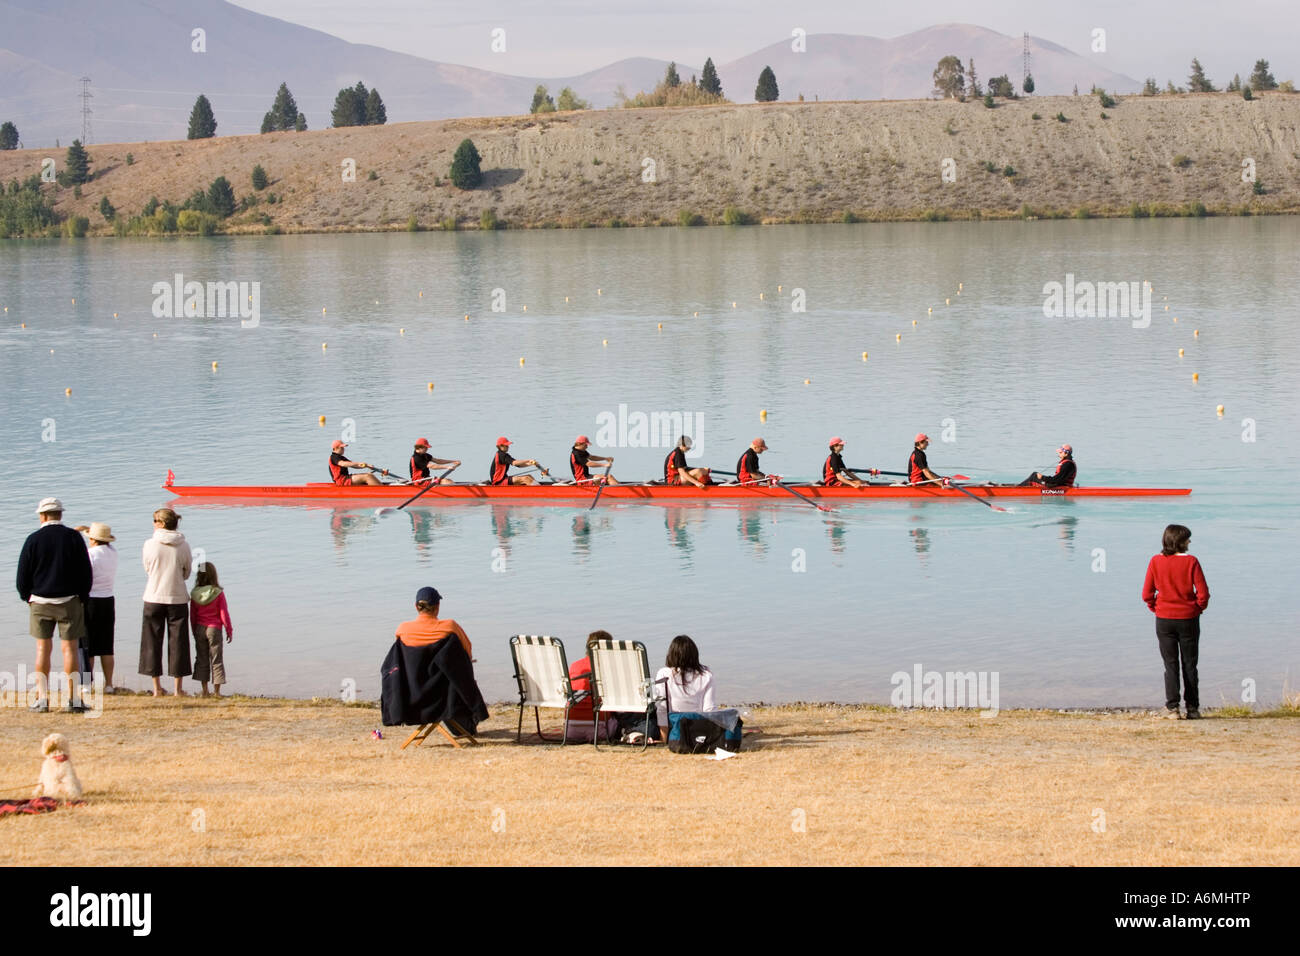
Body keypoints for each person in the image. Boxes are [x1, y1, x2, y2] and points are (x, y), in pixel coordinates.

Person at [16, 498, 92, 713]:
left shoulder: (33, 539)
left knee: (42, 649)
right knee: (69, 649)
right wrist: (83, 596)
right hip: (69, 600)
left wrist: (26, 597)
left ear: (42, 516)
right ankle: (74, 699)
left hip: (40, 601)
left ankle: (42, 699)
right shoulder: (73, 538)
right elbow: (86, 572)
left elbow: (22, 576)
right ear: (60, 514)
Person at [1142, 524, 1210, 719]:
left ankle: (1172, 708)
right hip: (1188, 619)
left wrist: (1156, 608)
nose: (1190, 541)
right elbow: (1203, 594)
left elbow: (1147, 593)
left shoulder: (1156, 561)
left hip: (1164, 619)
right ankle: (1193, 708)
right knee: (1190, 664)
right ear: (1180, 542)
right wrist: (1197, 608)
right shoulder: (1192, 562)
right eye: (1187, 539)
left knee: (1170, 664)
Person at [139, 508, 193, 697]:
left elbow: (147, 568)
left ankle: (157, 688)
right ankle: (178, 689)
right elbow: (187, 572)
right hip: (177, 597)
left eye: (154, 520)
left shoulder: (149, 544)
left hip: (153, 596)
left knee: (151, 641)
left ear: (161, 523)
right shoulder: (184, 545)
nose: (153, 524)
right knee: (179, 642)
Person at [75, 522, 119, 694]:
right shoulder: (113, 553)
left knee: (88, 645)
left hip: (91, 600)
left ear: (92, 539)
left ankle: (87, 683)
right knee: (107, 645)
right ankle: (108, 684)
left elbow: (84, 574)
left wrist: (76, 532)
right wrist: (87, 530)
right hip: (108, 599)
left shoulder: (90, 554)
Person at [655, 635, 717, 742]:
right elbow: (709, 709)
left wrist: (664, 738)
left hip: (674, 726)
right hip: (697, 726)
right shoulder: (706, 675)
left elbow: (662, 708)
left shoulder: (664, 673)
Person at [190, 562, 233, 698]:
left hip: (200, 628)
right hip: (214, 629)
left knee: (202, 659)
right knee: (216, 659)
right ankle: (217, 692)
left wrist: (194, 630)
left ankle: (204, 691)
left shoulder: (195, 594)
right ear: (214, 575)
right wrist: (229, 630)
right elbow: (224, 613)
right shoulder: (217, 592)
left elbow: (192, 615)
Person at [394, 586, 473, 659]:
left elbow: (399, 656)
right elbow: (468, 651)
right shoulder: (450, 627)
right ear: (438, 606)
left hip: (412, 673)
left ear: (416, 606)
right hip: (444, 672)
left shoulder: (402, 629)